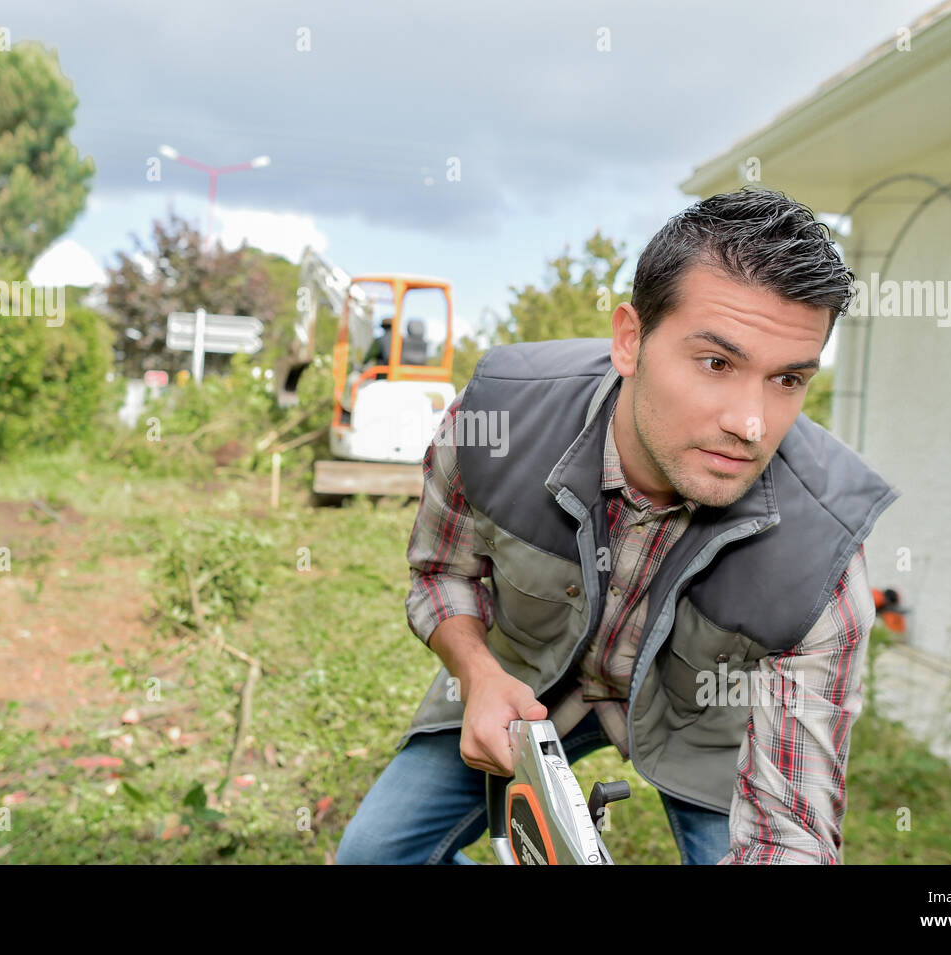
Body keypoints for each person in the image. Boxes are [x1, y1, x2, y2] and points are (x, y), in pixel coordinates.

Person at [336, 188, 900, 865]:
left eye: (786, 380)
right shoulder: (494, 421)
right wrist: (478, 672)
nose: (751, 424)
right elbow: (442, 572)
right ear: (630, 340)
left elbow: (791, 833)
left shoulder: (823, 553)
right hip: (527, 688)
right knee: (371, 856)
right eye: (717, 363)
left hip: (702, 730)